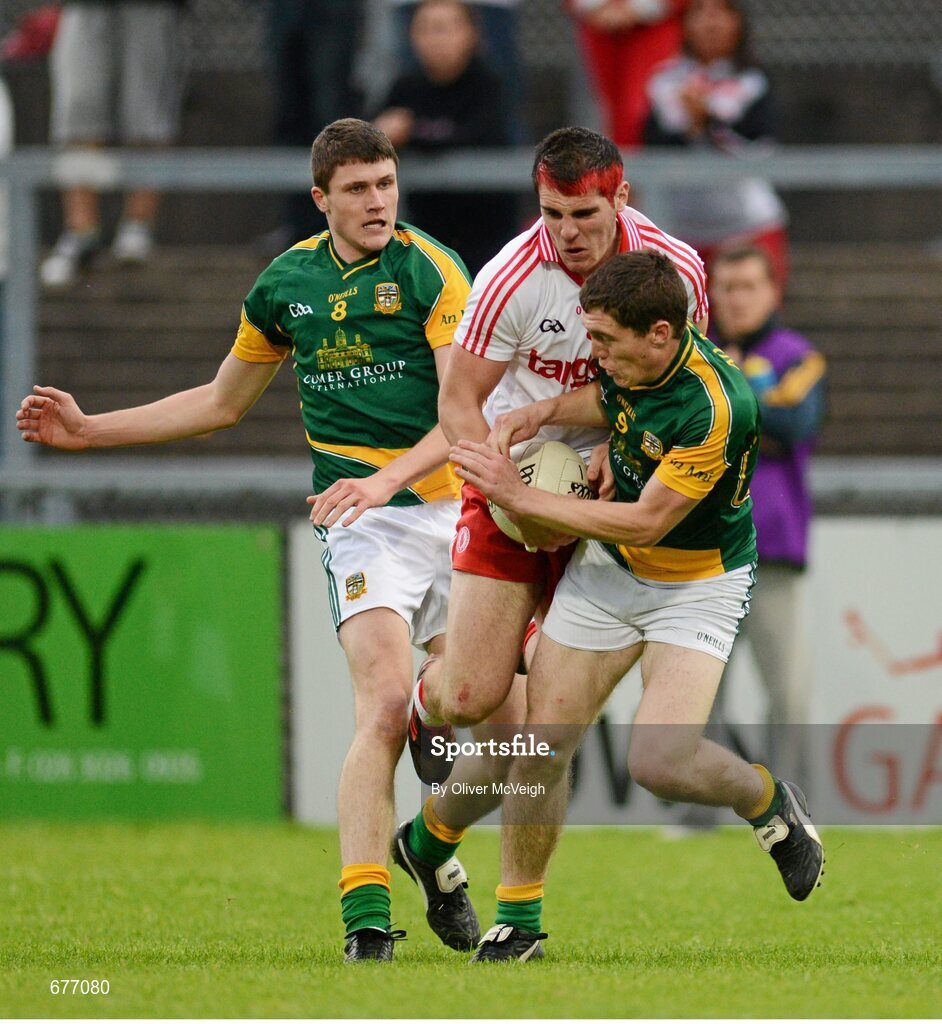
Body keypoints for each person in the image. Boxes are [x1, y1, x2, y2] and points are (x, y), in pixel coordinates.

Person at [17, 118, 480, 964]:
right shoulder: (285, 284)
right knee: (379, 703)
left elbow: (462, 417)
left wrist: (386, 476)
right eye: (357, 190)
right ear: (321, 199)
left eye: (386, 185)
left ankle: (433, 851)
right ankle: (367, 923)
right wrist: (92, 433)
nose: (378, 202)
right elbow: (221, 403)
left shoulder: (433, 269)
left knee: (481, 706)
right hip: (362, 521)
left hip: (449, 512)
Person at [448, 250, 825, 960]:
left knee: (659, 760)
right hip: (610, 574)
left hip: (697, 583)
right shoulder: (633, 360)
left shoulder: (719, 405)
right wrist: (539, 412)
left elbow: (648, 521)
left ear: (659, 334)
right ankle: (518, 922)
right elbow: (606, 401)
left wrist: (518, 494)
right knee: (542, 740)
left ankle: (768, 801)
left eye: (606, 344)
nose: (595, 356)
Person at [398, 127, 708, 923]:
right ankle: (424, 712)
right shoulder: (510, 277)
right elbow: (460, 400)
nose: (567, 232)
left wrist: (620, 448)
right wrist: (498, 486)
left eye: (584, 213)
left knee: (547, 729)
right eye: (552, 212)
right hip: (514, 482)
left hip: (609, 497)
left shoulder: (677, 272)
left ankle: (516, 914)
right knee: (472, 696)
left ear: (622, 198)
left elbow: (683, 387)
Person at [709, 244, 826, 783]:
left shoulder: (796, 356)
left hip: (772, 548)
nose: (735, 299)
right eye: (726, 287)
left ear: (773, 291)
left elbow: (794, 424)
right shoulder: (698, 355)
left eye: (747, 287)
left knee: (787, 694)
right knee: (698, 693)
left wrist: (738, 384)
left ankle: (794, 808)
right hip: (705, 554)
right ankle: (696, 812)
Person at [39, 0, 189, 288]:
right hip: (86, 7)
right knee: (78, 111)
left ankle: (137, 230)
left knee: (147, 115)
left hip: (152, 10)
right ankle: (81, 234)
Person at [642, 0, 789, 285]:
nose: (712, 23)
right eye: (701, 12)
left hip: (748, 226)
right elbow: (652, 148)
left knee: (748, 319)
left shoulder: (753, 79)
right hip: (679, 229)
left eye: (723, 12)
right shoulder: (664, 80)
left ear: (739, 21)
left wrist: (709, 121)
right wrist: (689, 124)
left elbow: (760, 145)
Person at [373, 0, 516, 275]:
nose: (434, 39)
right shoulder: (405, 86)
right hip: (423, 232)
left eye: (444, 28)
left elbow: (480, 136)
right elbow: (372, 133)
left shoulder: (489, 84)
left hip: (486, 232)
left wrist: (411, 134)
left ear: (471, 34)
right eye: (424, 29)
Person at [264, 0, 364, 249]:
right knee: (290, 114)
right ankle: (296, 224)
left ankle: (340, 221)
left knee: (330, 114)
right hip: (286, 9)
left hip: (331, 10)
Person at [568, 0, 687, 149]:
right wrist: (597, 6)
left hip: (655, 27)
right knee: (609, 111)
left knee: (639, 109)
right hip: (601, 24)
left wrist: (638, 9)